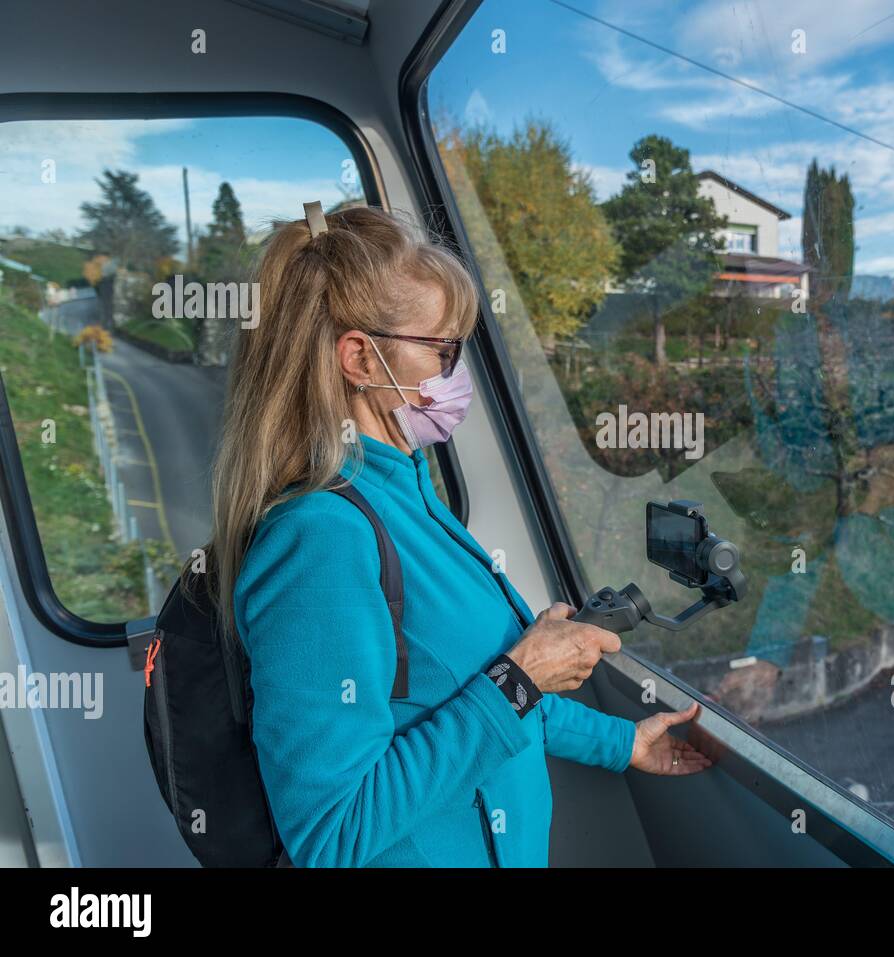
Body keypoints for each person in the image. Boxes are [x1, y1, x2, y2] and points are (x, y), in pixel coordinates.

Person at [207, 204, 710, 867]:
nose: (455, 368)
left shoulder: (408, 494)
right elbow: (330, 833)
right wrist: (523, 673)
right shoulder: (320, 539)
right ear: (360, 357)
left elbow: (483, 687)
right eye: (441, 346)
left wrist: (622, 741)